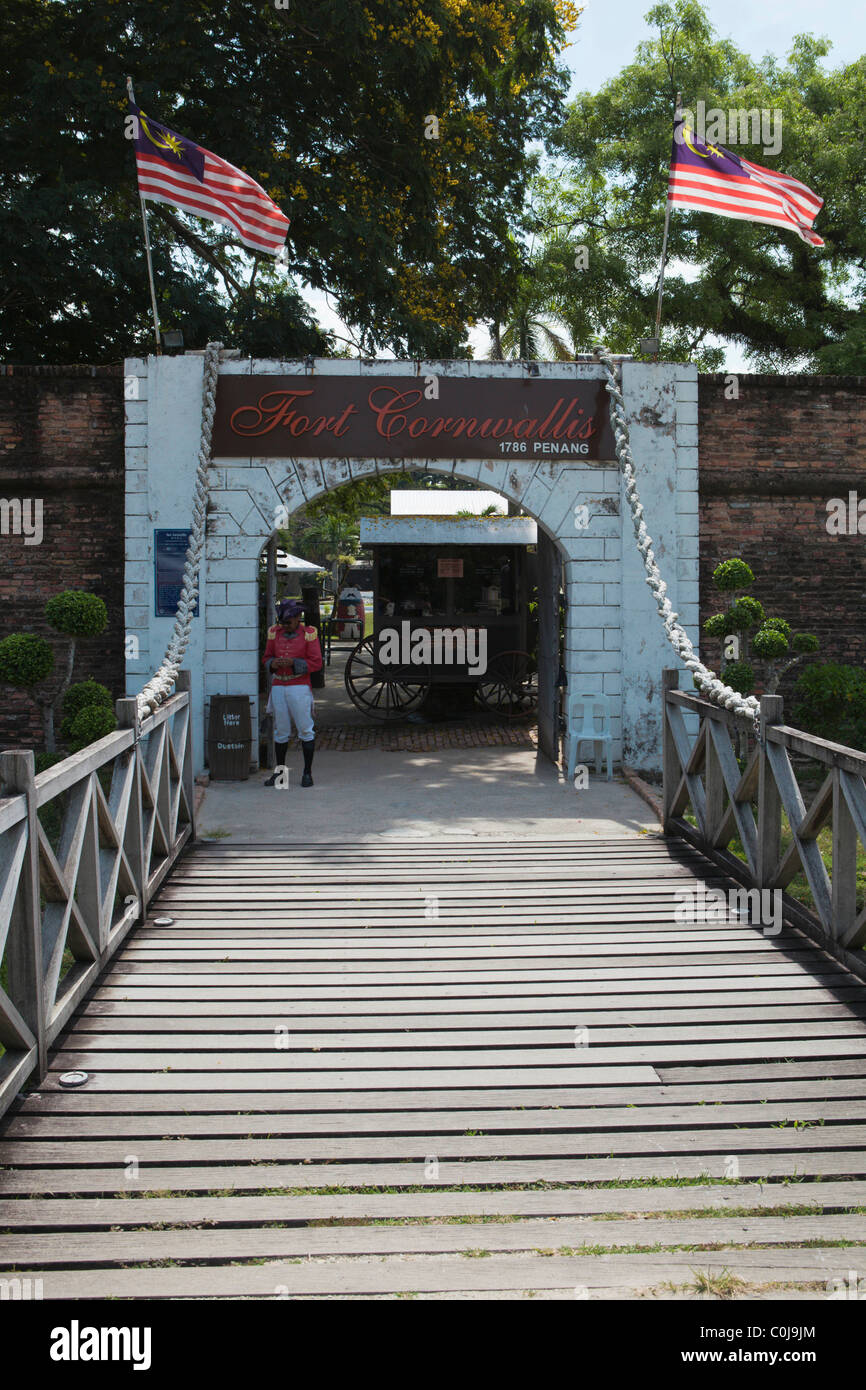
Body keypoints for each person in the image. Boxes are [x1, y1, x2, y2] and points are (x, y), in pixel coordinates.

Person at [262, 599, 323, 787]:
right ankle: (280, 775)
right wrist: (273, 663)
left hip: (299, 686)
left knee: (305, 729)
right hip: (279, 685)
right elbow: (266, 657)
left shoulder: (309, 634)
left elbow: (316, 662)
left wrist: (293, 663)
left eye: (288, 622)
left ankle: (307, 773)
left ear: (298, 618)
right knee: (280, 731)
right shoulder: (274, 633)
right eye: (282, 622)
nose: (284, 626)